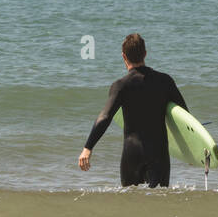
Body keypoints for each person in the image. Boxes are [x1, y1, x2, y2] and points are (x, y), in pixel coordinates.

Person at [78, 33, 187, 187]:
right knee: (160, 203)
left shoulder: (121, 85)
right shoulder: (165, 81)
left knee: (129, 203)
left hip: (132, 153)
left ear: (124, 57)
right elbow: (183, 116)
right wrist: (190, 152)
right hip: (158, 154)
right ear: (145, 54)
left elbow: (105, 117)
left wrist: (87, 148)